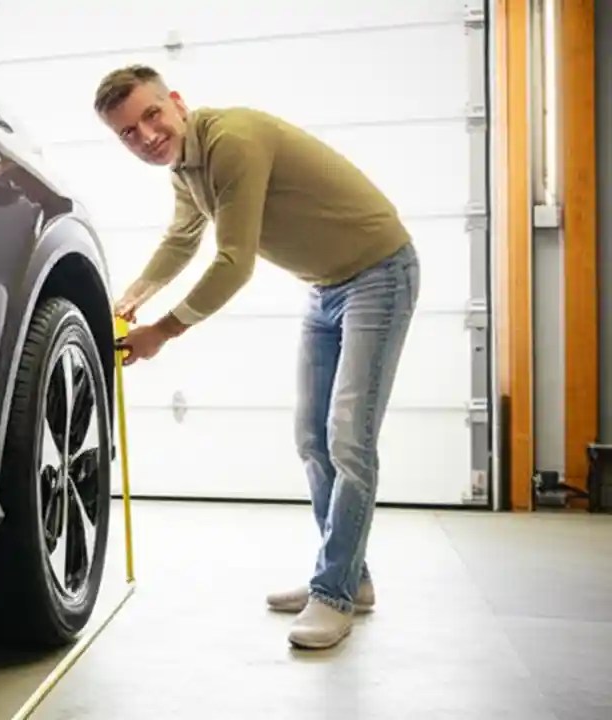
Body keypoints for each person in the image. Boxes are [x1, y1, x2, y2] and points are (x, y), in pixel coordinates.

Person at [93, 64, 420, 649]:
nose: (144, 135)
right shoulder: (185, 169)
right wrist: (130, 300)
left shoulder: (230, 143)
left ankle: (334, 592)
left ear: (177, 102)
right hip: (325, 288)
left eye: (150, 115)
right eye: (126, 133)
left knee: (349, 437)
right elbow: (181, 239)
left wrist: (162, 331)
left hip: (379, 273)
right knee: (311, 437)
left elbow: (234, 261)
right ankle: (350, 575)